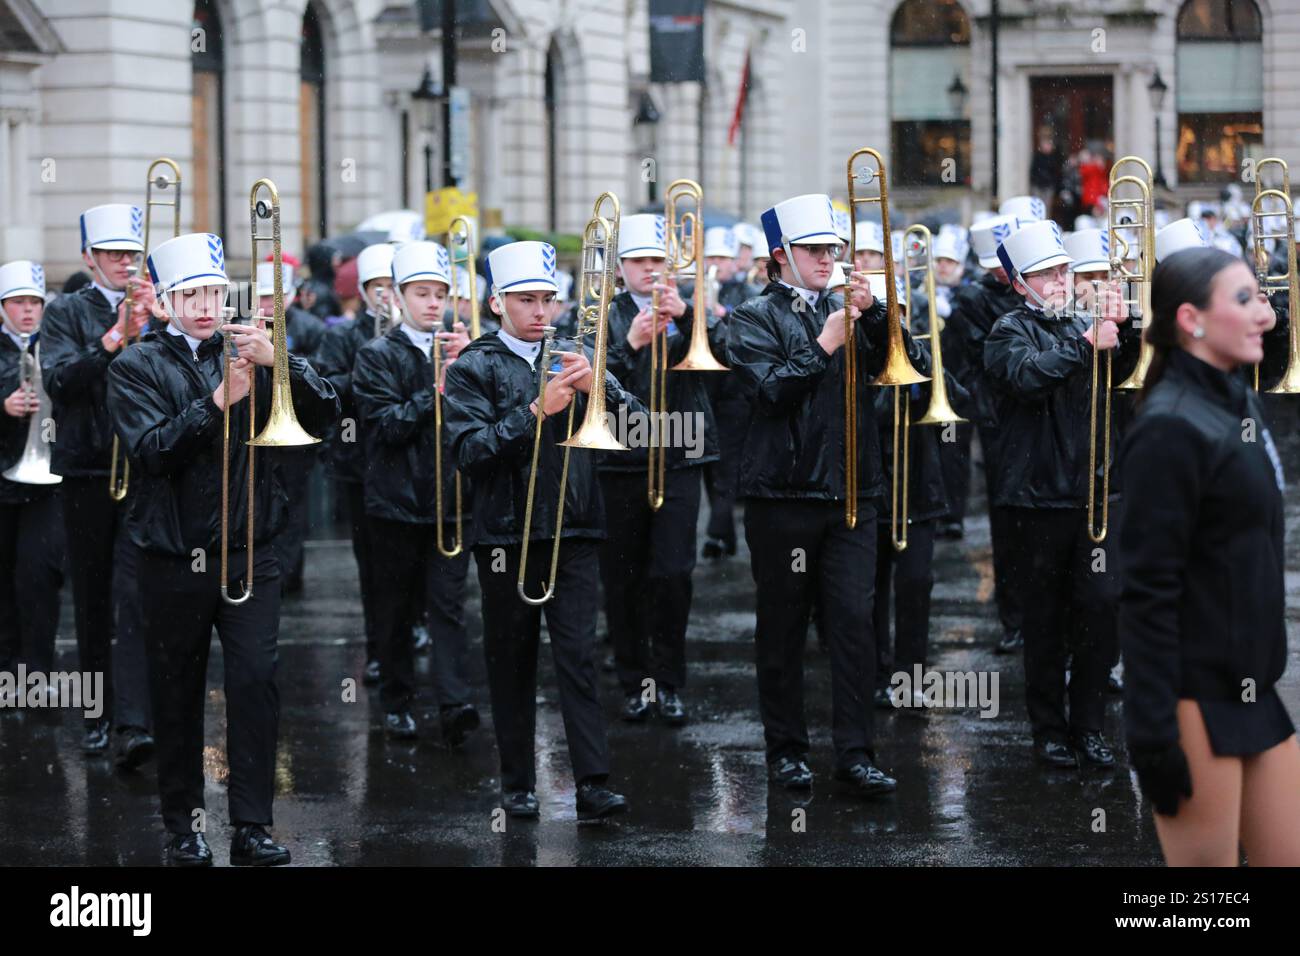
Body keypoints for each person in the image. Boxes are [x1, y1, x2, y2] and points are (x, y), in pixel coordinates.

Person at [107, 232, 339, 866]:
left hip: (252, 545)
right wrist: (215, 404)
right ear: (167, 302)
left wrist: (281, 363)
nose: (205, 304)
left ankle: (253, 825)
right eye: (190, 294)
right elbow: (153, 452)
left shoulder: (249, 347)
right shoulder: (134, 365)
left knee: (256, 682)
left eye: (212, 290)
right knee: (177, 689)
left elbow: (327, 418)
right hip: (174, 552)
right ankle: (184, 825)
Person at [726, 192, 930, 796]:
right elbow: (768, 395)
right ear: (781, 255)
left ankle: (856, 751)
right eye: (815, 250)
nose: (828, 259)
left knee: (853, 625)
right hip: (783, 495)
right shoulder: (751, 316)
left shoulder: (855, 310)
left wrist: (876, 317)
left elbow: (913, 378)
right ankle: (786, 750)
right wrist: (824, 344)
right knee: (782, 627)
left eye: (833, 249)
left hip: (852, 492)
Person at [443, 239, 639, 822]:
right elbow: (469, 453)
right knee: (511, 657)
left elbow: (638, 429)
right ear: (498, 302)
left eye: (547, 300)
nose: (539, 312)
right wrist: (536, 412)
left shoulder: (573, 352)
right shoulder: (473, 366)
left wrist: (599, 387)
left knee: (578, 655)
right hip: (505, 536)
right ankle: (517, 781)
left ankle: (592, 782)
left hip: (575, 527)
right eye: (525, 300)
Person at [1118, 246, 1300, 865]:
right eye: (1245, 300)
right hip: (1193, 700)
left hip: (1255, 690)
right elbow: (1146, 590)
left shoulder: (1236, 402)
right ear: (1192, 319)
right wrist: (1153, 733)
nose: (1266, 316)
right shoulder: (1169, 426)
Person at [983, 219, 1135, 769]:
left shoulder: (1086, 320)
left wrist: (1126, 325)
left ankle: (1089, 726)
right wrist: (1086, 342)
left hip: (1097, 488)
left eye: (1063, 270)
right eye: (1046, 274)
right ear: (1021, 283)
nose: (1060, 280)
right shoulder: (1007, 330)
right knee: (1043, 620)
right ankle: (1048, 730)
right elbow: (1027, 377)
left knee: (1100, 608)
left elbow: (1131, 375)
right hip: (1037, 497)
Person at [40, 203, 155, 766]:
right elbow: (61, 381)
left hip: (144, 467)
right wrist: (115, 338)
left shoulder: (158, 306)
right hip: (88, 466)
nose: (125, 264)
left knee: (137, 595)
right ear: (90, 258)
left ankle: (135, 716)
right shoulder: (66, 310)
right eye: (113, 255)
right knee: (90, 596)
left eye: (132, 254)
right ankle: (96, 712)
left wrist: (158, 325)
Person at [352, 240, 479, 745]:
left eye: (439, 293)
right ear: (399, 298)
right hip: (396, 503)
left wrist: (468, 368)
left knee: (448, 606)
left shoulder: (464, 349)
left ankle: (454, 701)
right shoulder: (376, 355)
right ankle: (398, 700)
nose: (431, 303)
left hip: (452, 499)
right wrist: (439, 388)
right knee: (396, 608)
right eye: (420, 293)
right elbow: (386, 426)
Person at [599, 213, 724, 724]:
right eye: (639, 261)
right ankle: (635, 681)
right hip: (621, 459)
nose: (649, 270)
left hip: (679, 452)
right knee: (623, 578)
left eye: (657, 261)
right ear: (621, 267)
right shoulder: (601, 314)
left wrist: (691, 315)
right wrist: (628, 345)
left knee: (673, 574)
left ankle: (669, 681)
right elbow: (592, 383)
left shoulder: (689, 308)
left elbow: (728, 358)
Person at [949, 214, 1027, 654]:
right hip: (1003, 422)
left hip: (1039, 418)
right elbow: (969, 369)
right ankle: (1013, 618)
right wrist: (990, 412)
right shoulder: (972, 302)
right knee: (1008, 523)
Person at [315, 242, 392, 685]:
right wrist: (372, 368)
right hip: (360, 462)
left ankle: (407, 631)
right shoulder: (344, 336)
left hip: (409, 463)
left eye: (391, 286)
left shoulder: (418, 334)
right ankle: (378, 645)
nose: (385, 295)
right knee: (372, 563)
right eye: (377, 286)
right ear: (363, 291)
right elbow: (328, 389)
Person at [0, 260, 64, 692]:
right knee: (3, 580)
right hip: (2, 480)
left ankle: (37, 672)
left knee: (39, 577)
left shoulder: (55, 343)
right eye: (18, 302)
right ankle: (7, 670)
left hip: (46, 483)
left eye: (34, 302)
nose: (27, 310)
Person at [254, 260, 325, 595]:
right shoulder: (249, 327)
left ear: (292, 295)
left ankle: (288, 576)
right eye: (265, 296)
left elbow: (320, 379)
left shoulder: (311, 327)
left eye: (277, 295)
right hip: (259, 430)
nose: (271, 304)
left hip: (297, 433)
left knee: (294, 508)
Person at [701, 225, 755, 560]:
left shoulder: (746, 293)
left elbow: (750, 331)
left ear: (736, 262)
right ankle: (724, 534)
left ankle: (717, 532)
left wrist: (722, 314)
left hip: (734, 393)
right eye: (712, 257)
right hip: (704, 389)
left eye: (723, 258)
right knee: (707, 462)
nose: (718, 264)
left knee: (726, 465)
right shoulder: (695, 289)